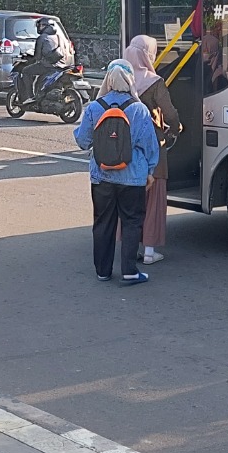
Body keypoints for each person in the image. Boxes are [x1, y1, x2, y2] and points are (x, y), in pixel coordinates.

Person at [74, 60, 159, 284]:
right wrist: (150, 171)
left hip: (101, 177)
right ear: (130, 80)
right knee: (131, 222)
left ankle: (103, 271)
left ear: (108, 80)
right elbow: (150, 146)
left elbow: (83, 141)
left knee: (103, 222)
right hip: (133, 177)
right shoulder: (139, 109)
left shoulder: (94, 108)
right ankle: (129, 270)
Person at [125, 34, 182, 265]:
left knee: (130, 199)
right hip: (153, 147)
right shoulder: (154, 82)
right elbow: (170, 113)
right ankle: (149, 252)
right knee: (154, 199)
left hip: (126, 147)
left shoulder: (120, 77)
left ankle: (128, 249)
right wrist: (175, 128)